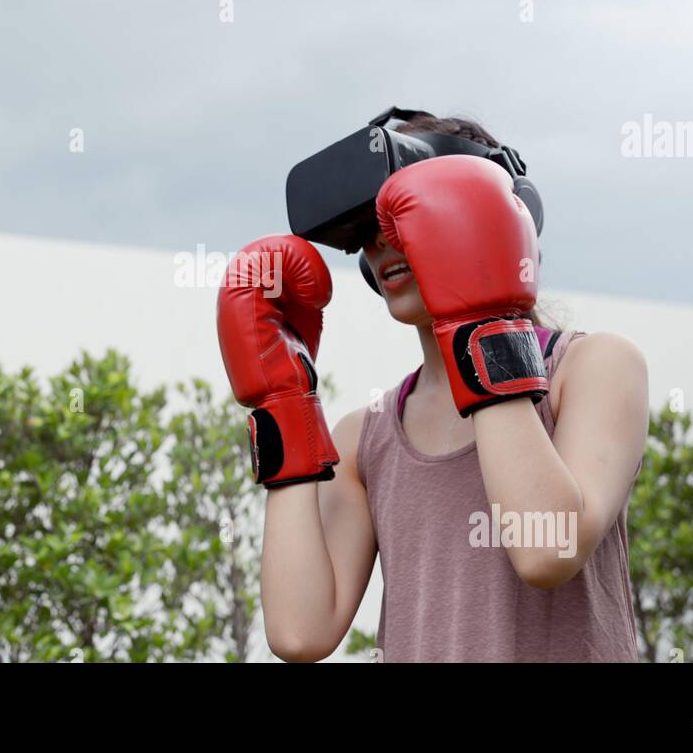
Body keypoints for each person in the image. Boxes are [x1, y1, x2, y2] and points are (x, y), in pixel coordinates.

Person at [217, 111, 649, 662]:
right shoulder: (365, 437)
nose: (381, 243)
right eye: (369, 225)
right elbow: (300, 632)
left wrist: (482, 311)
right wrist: (282, 402)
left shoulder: (592, 367)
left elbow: (546, 551)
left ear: (499, 217)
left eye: (405, 217)